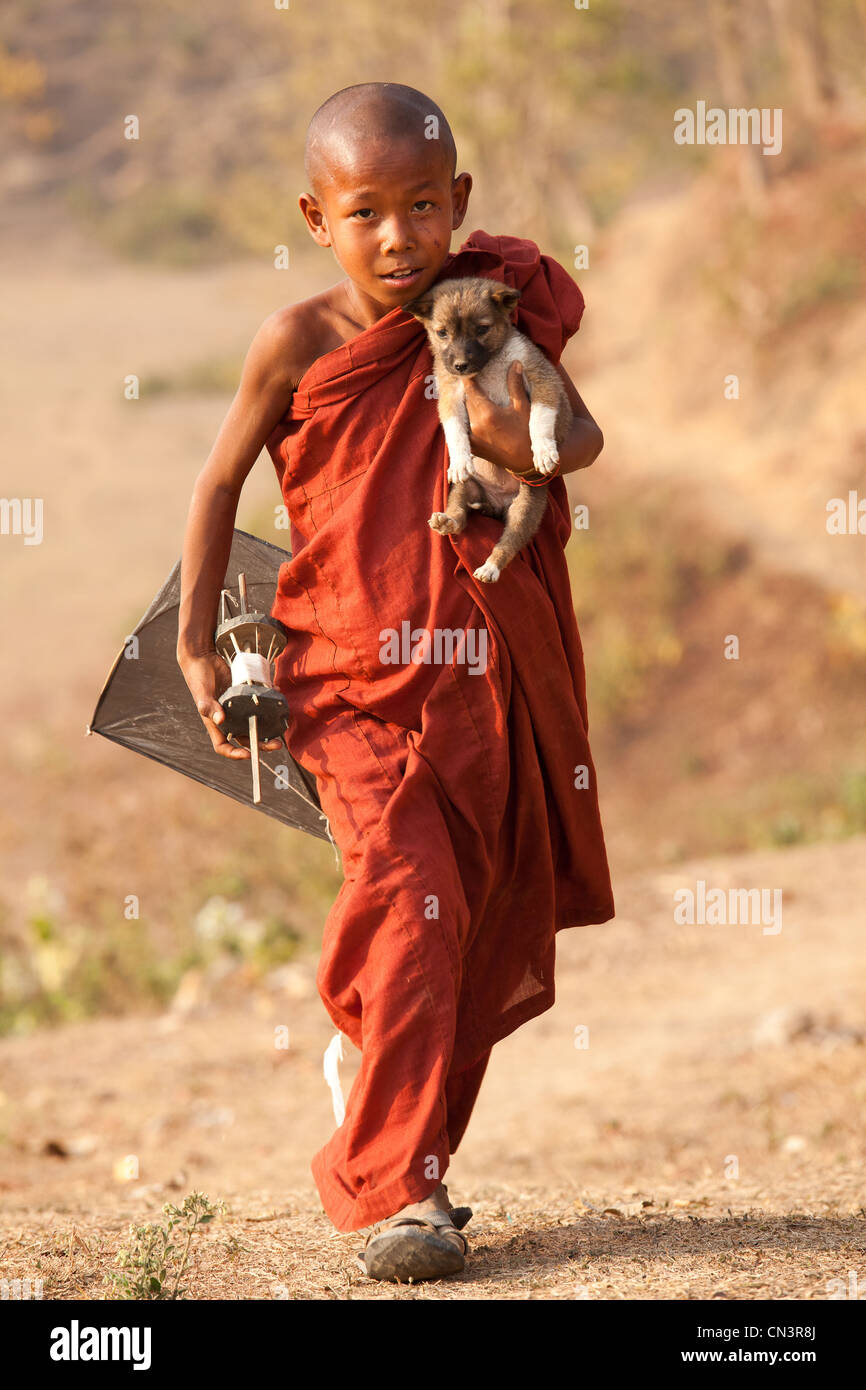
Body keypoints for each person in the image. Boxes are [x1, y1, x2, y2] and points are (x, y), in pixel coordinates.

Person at [177, 81, 615, 1284]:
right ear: (316, 218)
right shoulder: (302, 344)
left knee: (466, 924)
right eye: (364, 212)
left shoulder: (497, 311)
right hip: (346, 678)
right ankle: (397, 1195)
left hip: (486, 672)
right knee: (410, 892)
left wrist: (511, 406)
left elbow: (568, 445)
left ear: (458, 204)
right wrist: (199, 644)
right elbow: (218, 485)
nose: (397, 237)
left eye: (422, 206)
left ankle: (383, 1088)